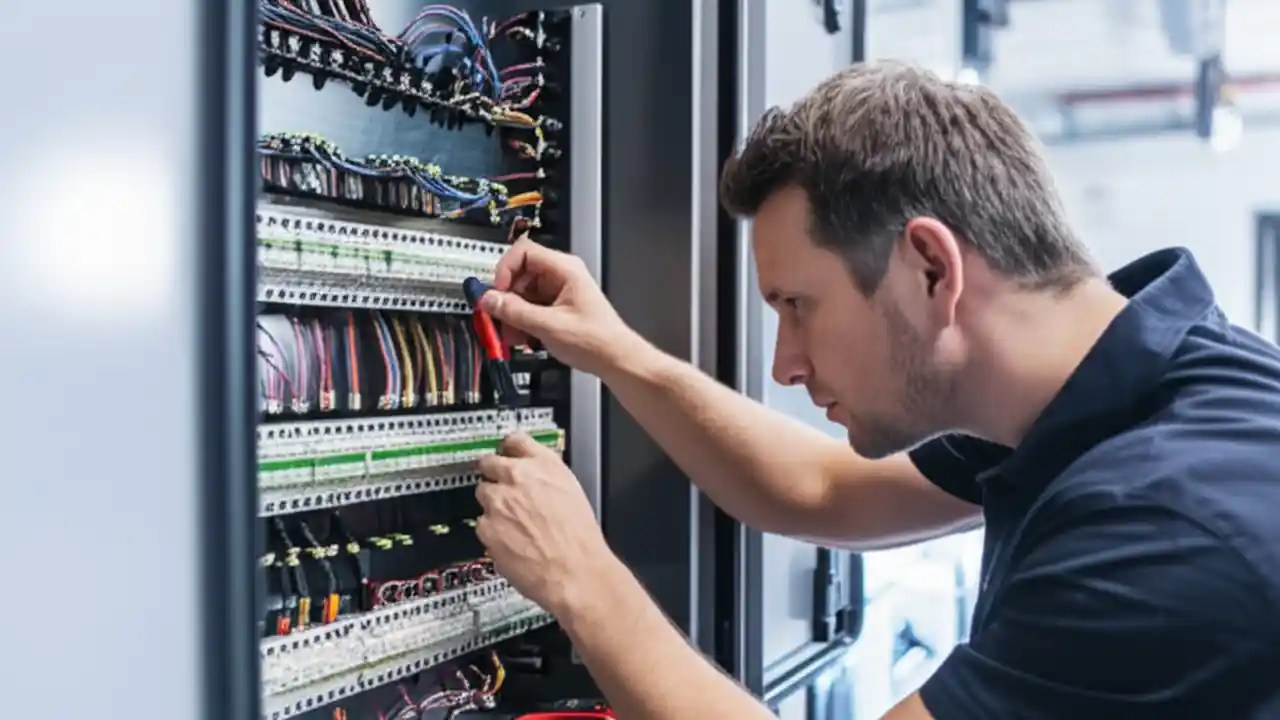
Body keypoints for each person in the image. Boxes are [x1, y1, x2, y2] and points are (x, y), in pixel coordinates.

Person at [470, 61, 1280, 719]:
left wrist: (585, 584)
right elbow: (823, 489)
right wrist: (617, 354)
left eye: (797, 307)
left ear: (932, 268)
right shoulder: (1109, 386)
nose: (785, 364)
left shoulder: (1170, 529)